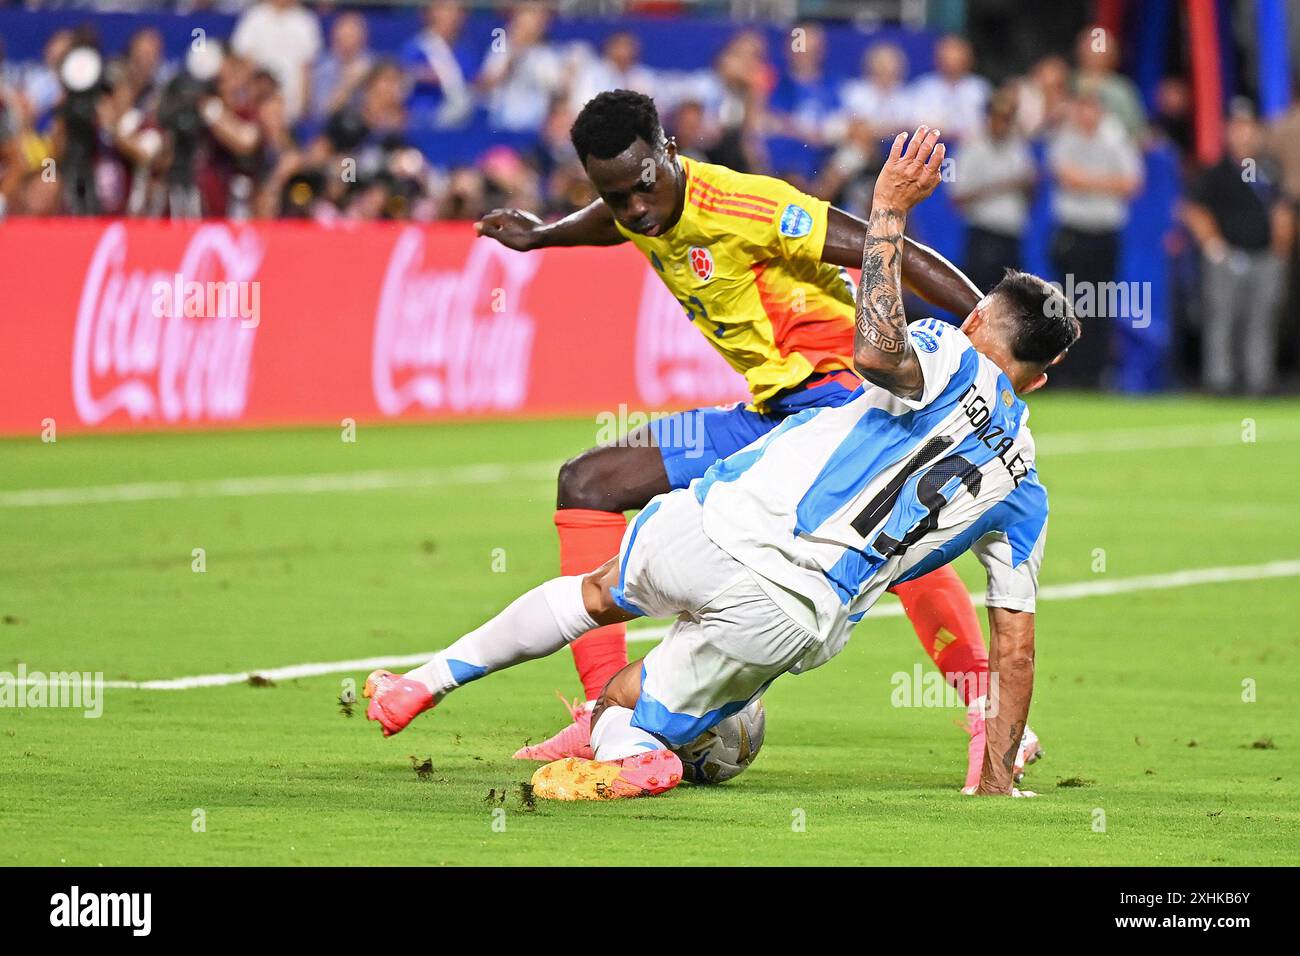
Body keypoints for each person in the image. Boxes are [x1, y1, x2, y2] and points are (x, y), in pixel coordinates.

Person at [364, 127, 1078, 800]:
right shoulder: (637, 209)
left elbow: (884, 253)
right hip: (771, 409)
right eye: (616, 197)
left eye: (639, 190)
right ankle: (602, 707)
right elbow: (616, 217)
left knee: (868, 526)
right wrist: (545, 236)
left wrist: (981, 334)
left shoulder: (749, 205)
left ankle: (981, 710)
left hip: (833, 391)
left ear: (668, 155)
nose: (633, 209)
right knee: (589, 483)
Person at [1181, 102, 1294, 395]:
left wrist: (1280, 249)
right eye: (1237, 128)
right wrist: (1214, 246)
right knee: (1222, 317)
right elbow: (1194, 210)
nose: (1243, 135)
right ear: (1227, 133)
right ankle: (1220, 381)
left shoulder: (1268, 170)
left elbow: (1283, 209)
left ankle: (1258, 381)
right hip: (1228, 256)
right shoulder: (1215, 172)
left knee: (1262, 319)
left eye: (1249, 128)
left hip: (1264, 256)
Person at [1047, 90, 1142, 388]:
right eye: (1082, 108)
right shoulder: (1065, 136)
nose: (1087, 115)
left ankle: (1094, 374)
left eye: (1092, 108)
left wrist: (1086, 182)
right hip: (1073, 232)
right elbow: (1066, 178)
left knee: (1100, 303)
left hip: (1104, 233)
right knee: (1066, 304)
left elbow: (1132, 183)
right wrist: (1105, 183)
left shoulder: (1115, 136)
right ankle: (1066, 373)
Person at [951, 88, 1036, 293]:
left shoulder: (1019, 147)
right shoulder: (971, 148)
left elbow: (1031, 191)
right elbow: (958, 196)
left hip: (1012, 234)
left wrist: (1028, 186)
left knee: (1012, 299)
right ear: (988, 117)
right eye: (998, 117)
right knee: (978, 296)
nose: (1003, 123)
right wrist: (1002, 185)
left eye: (1008, 118)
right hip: (983, 232)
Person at [230, 0, 323, 124]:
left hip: (292, 107)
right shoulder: (254, 17)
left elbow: (307, 69)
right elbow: (246, 63)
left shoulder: (306, 20)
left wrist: (304, 109)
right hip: (259, 105)